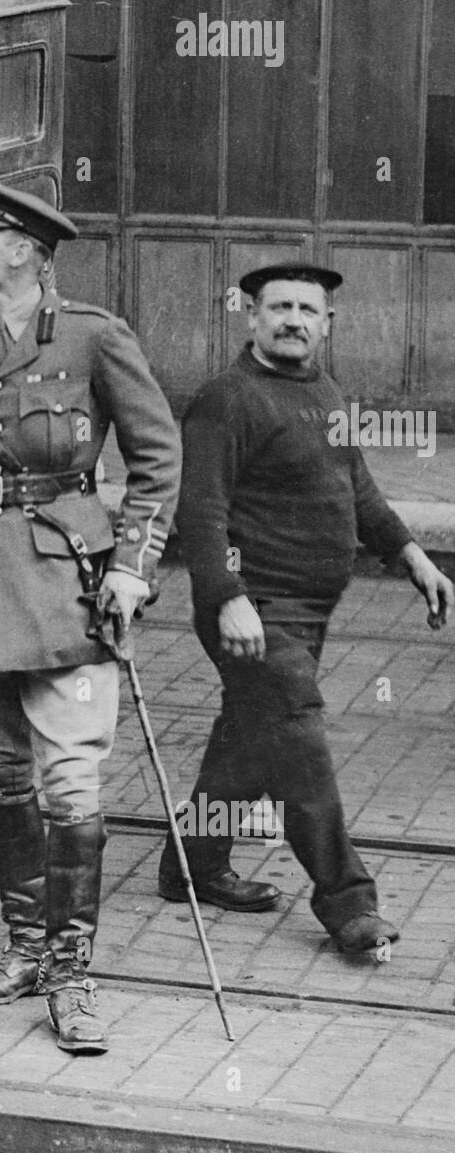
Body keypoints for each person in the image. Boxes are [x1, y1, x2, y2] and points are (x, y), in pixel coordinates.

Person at [0, 180, 181, 1053]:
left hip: (66, 579)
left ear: (22, 249)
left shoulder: (95, 336)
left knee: (70, 781)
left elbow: (158, 458)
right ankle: (23, 948)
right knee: (1, 772)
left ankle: (72, 973)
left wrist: (134, 569)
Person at [158, 263, 453, 954]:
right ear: (250, 315)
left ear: (327, 322)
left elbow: (359, 490)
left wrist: (411, 555)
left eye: (307, 310)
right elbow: (201, 515)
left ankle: (192, 864)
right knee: (301, 742)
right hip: (253, 609)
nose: (294, 320)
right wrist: (227, 597)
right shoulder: (225, 400)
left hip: (309, 608)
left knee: (250, 739)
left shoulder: (323, 390)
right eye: (279, 307)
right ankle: (349, 904)